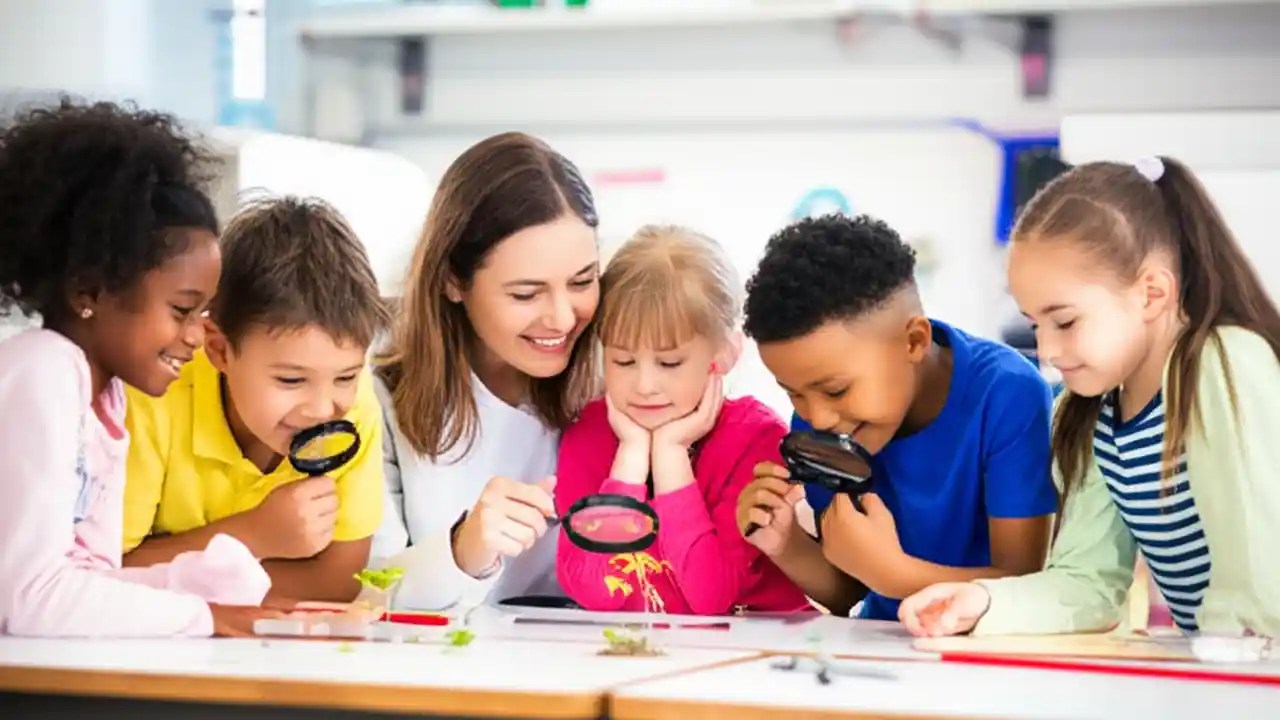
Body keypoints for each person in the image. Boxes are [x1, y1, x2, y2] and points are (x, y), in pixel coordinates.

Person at [899, 157, 1280, 638]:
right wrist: (984, 600)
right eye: (1035, 324)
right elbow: (1089, 584)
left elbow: (1262, 578)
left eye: (1065, 321)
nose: (1047, 350)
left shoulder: (1226, 363)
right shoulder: (1092, 416)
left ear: (1151, 293)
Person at [0, 99, 273, 636]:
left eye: (203, 312)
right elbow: (30, 601)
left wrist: (204, 584)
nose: (196, 336)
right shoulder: (43, 371)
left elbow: (87, 578)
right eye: (180, 309)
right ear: (89, 291)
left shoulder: (107, 396)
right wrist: (207, 616)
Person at [735, 214, 1057, 620]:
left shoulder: (1008, 394)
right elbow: (847, 591)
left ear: (914, 341)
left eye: (836, 390)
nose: (816, 417)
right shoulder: (824, 429)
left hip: (987, 656)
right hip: (884, 649)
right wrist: (787, 544)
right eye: (793, 393)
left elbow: (1021, 582)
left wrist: (894, 575)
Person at [370, 132, 601, 610]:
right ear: (454, 281)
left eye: (582, 281)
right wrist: (464, 548)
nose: (561, 318)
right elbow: (369, 593)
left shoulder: (620, 381)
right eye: (525, 294)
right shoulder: (381, 396)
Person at [122, 197, 390, 602]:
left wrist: (195, 568)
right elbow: (107, 570)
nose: (322, 408)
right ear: (219, 350)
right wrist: (254, 535)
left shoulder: (353, 408)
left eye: (346, 376)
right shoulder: (151, 396)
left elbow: (339, 582)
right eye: (290, 379)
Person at [556, 225, 811, 615]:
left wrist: (671, 457)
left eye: (669, 362)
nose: (643, 385)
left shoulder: (758, 440)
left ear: (724, 354)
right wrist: (630, 462)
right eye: (623, 361)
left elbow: (709, 598)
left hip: (754, 656)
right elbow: (595, 595)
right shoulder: (590, 435)